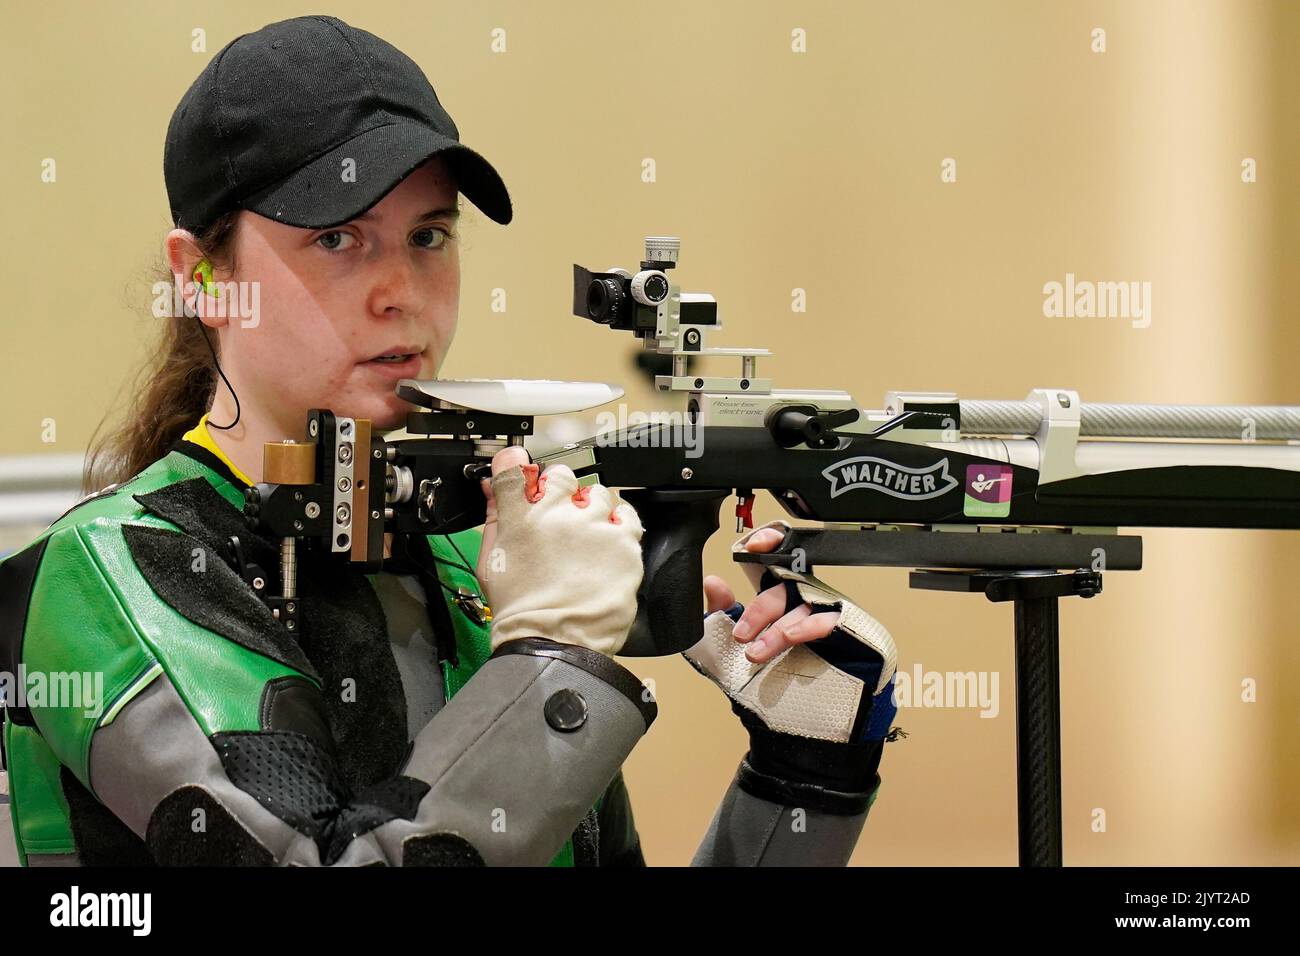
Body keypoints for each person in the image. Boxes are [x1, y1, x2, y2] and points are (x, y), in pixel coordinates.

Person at [0, 15, 898, 867]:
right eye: (337, 238)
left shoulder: (478, 559)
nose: (402, 290)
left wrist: (804, 772)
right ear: (201, 277)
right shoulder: (104, 573)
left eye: (429, 235)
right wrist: (549, 659)